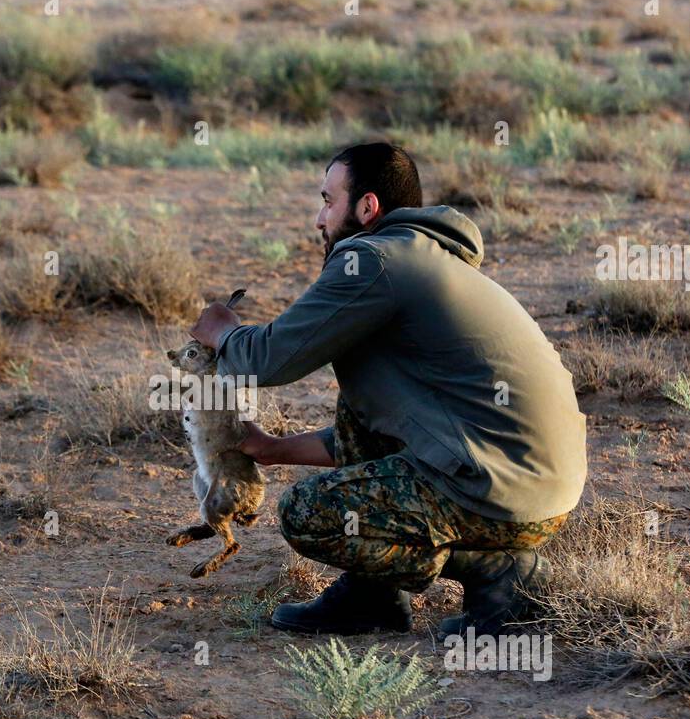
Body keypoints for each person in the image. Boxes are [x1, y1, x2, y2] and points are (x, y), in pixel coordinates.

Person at [188, 143, 587, 636]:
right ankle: (371, 595)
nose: (318, 218)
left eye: (328, 200)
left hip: (502, 492)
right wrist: (270, 449)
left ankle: (497, 572)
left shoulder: (373, 260)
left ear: (367, 208)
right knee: (360, 400)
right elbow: (381, 429)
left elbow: (270, 359)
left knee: (308, 513)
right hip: (536, 486)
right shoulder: (426, 259)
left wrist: (224, 332)